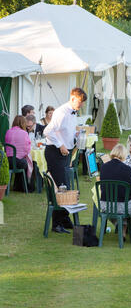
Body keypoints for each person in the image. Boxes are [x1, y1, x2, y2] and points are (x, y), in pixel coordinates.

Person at [44, 87, 87, 234]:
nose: (81, 105)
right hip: (55, 152)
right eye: (80, 102)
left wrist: (75, 134)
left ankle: (65, 218)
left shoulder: (73, 113)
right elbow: (47, 131)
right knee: (61, 187)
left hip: (65, 153)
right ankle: (56, 224)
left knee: (67, 186)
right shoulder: (61, 112)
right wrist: (60, 145)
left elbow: (65, 130)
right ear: (73, 98)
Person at [99, 143, 131, 237]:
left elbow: (102, 187)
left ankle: (122, 229)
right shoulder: (126, 169)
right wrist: (128, 197)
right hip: (122, 206)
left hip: (105, 205)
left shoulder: (104, 167)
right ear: (124, 155)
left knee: (121, 207)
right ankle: (125, 228)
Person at [4, 115, 33, 191]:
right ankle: (24, 187)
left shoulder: (8, 132)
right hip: (18, 161)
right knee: (25, 163)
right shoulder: (24, 133)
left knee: (19, 161)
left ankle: (17, 186)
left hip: (8, 160)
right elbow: (27, 149)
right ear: (23, 123)